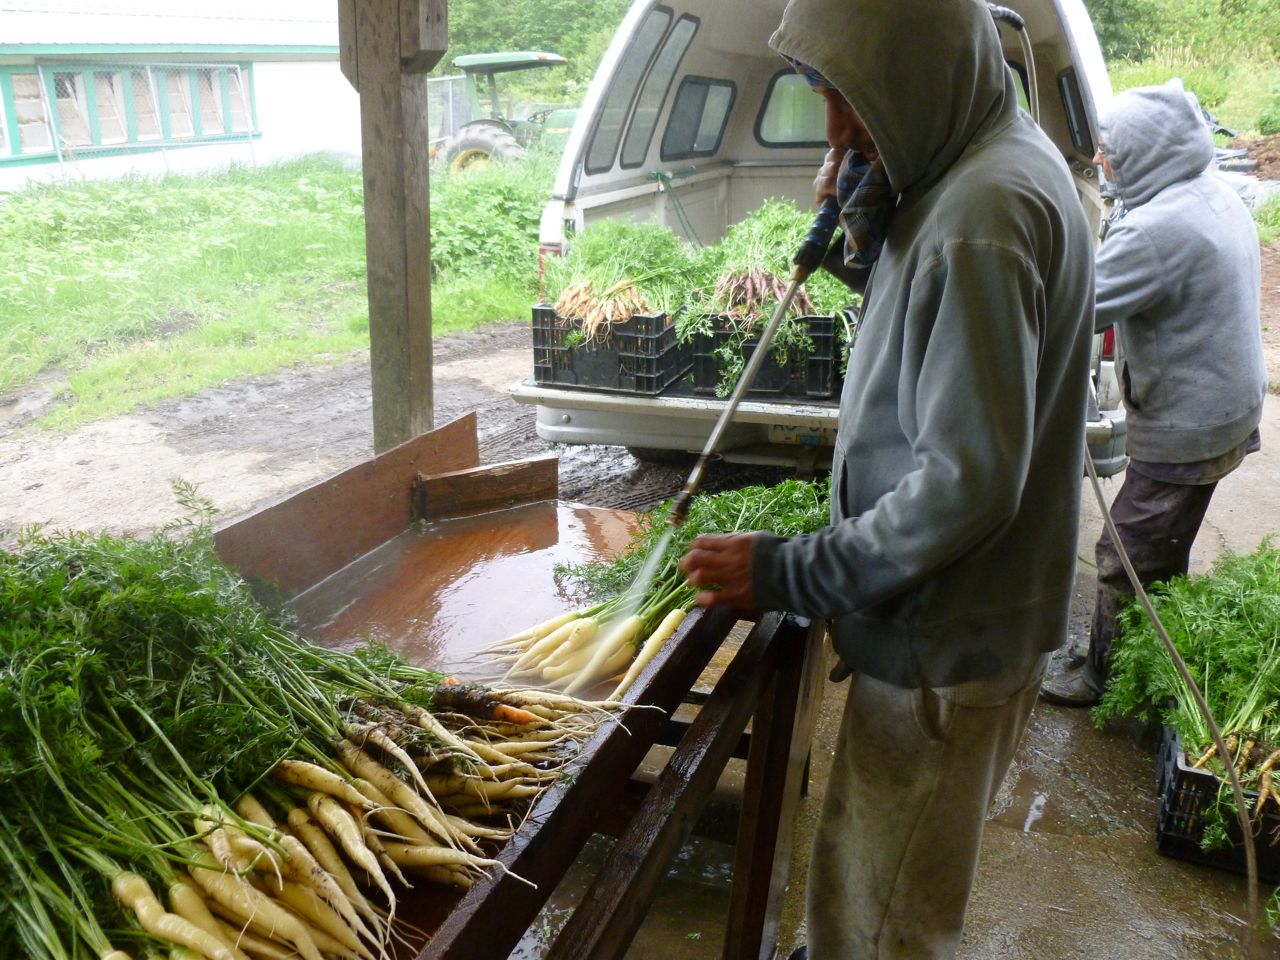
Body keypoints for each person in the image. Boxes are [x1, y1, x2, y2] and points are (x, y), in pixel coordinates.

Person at [677, 0, 1095, 956]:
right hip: (941, 621)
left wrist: (792, 572)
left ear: (919, 70)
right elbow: (939, 337)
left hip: (945, 636)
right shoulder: (973, 160)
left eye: (856, 99)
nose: (837, 131)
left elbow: (968, 485)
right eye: (824, 98)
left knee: (888, 920)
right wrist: (871, 245)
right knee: (871, 883)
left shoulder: (983, 214)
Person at [1039, 79, 1266, 708]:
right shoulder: (1209, 191)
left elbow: (1066, 310)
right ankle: (1148, 656)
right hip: (1227, 404)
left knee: (1125, 555)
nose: (1104, 162)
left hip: (1191, 422)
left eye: (1112, 151)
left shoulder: (1157, 229)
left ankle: (1104, 683)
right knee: (1163, 549)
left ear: (1144, 153)